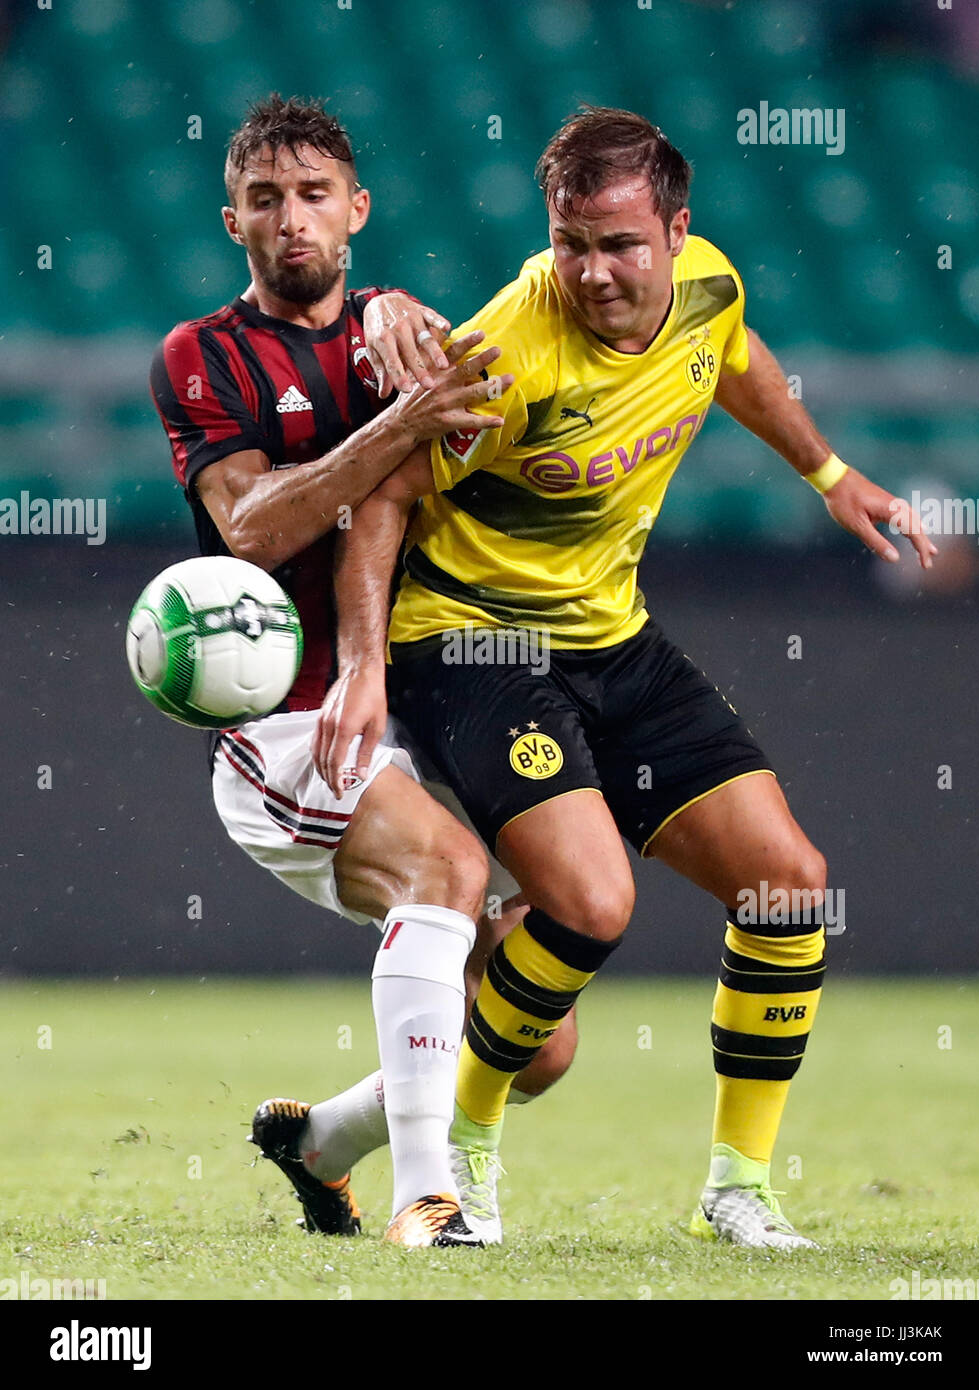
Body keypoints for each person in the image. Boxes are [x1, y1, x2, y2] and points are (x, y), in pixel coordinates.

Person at [316, 107, 937, 1249]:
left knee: (786, 885)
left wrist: (829, 473)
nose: (593, 272)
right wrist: (362, 665)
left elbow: (733, 356)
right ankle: (469, 1144)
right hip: (470, 641)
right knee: (593, 902)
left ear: (674, 233)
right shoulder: (505, 352)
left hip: (611, 634)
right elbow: (383, 494)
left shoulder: (705, 284)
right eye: (569, 243)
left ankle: (734, 1188)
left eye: (619, 244)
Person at [149, 93, 529, 1248]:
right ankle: (432, 1200)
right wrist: (398, 421)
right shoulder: (200, 355)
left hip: (415, 700)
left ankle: (323, 1143)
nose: (291, 219)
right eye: (265, 200)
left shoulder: (404, 328)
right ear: (234, 223)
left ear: (356, 210)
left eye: (314, 195)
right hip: (288, 719)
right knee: (447, 868)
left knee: (532, 1023)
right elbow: (258, 527)